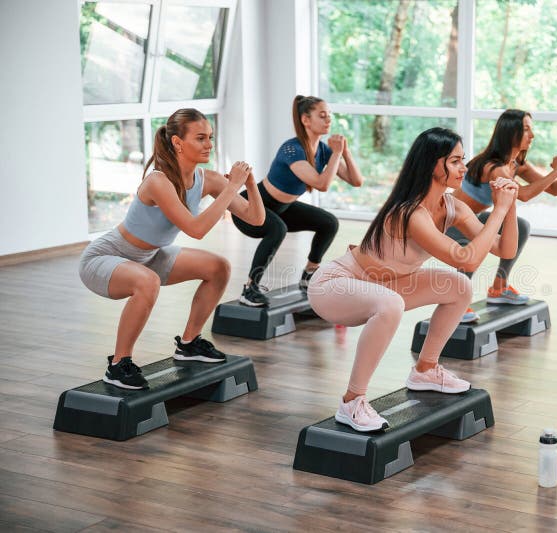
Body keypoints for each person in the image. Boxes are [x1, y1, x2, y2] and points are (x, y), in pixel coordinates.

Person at [307, 127, 519, 432]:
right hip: (334, 286)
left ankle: (426, 369)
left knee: (459, 287)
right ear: (434, 164)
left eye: (464, 160)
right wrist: (498, 209)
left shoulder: (452, 207)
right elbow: (467, 259)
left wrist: (508, 206)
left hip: (385, 285)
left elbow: (505, 248)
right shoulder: (410, 212)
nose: (464, 168)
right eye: (456, 161)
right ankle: (352, 402)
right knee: (391, 303)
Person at [78, 108, 266, 389]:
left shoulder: (209, 180)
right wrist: (232, 188)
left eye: (210, 137)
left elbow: (256, 218)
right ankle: (118, 365)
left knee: (218, 268)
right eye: (200, 138)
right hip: (105, 257)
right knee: (148, 281)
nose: (209, 145)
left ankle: (189, 344)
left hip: (150, 255)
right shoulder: (158, 181)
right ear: (178, 142)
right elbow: (196, 230)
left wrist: (249, 184)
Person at [233, 95, 364, 306]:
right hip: (248, 208)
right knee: (278, 229)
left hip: (281, 208)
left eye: (329, 115)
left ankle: (309, 275)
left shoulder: (323, 150)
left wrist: (344, 152)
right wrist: (337, 154)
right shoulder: (291, 149)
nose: (328, 119)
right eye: (322, 115)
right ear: (305, 120)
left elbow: (356, 181)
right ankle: (249, 289)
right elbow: (321, 183)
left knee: (329, 222)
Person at [448, 109, 557, 322]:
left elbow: (555, 191)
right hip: (450, 223)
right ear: (510, 133)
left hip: (472, 219)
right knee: (474, 243)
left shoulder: (515, 164)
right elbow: (521, 194)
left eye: (531, 129)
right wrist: (555, 172)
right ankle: (457, 303)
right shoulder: (492, 166)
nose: (532, 135)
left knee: (520, 226)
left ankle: (499, 287)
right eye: (526, 129)